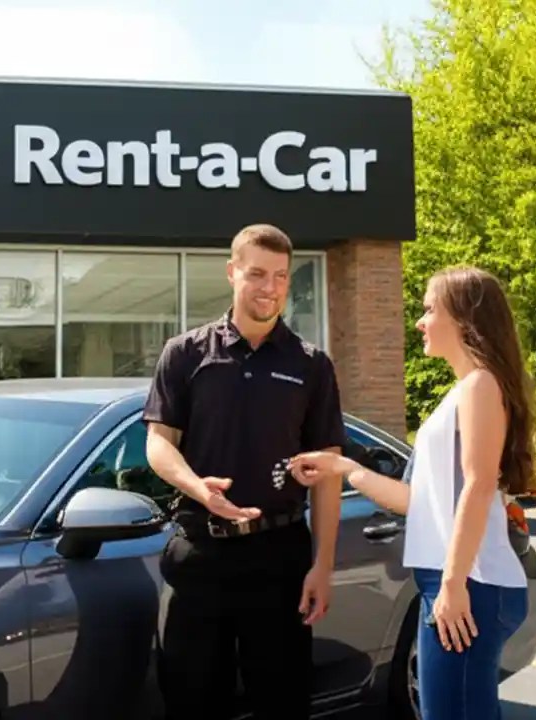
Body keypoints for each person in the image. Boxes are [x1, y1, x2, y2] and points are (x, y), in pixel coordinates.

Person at [290, 265, 535, 719]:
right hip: (456, 584)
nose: (420, 322)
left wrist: (453, 584)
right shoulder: (467, 388)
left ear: (463, 318)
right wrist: (344, 467)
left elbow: (479, 485)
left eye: (428, 310)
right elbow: (419, 503)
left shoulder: (480, 385)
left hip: (470, 586)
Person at [143, 223, 347, 720]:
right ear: (232, 272)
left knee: (281, 704)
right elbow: (157, 445)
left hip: (280, 560)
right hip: (201, 551)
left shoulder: (311, 365)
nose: (270, 287)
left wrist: (322, 565)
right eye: (257, 274)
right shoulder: (186, 353)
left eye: (280, 276)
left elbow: (328, 473)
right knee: (192, 703)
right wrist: (197, 488)